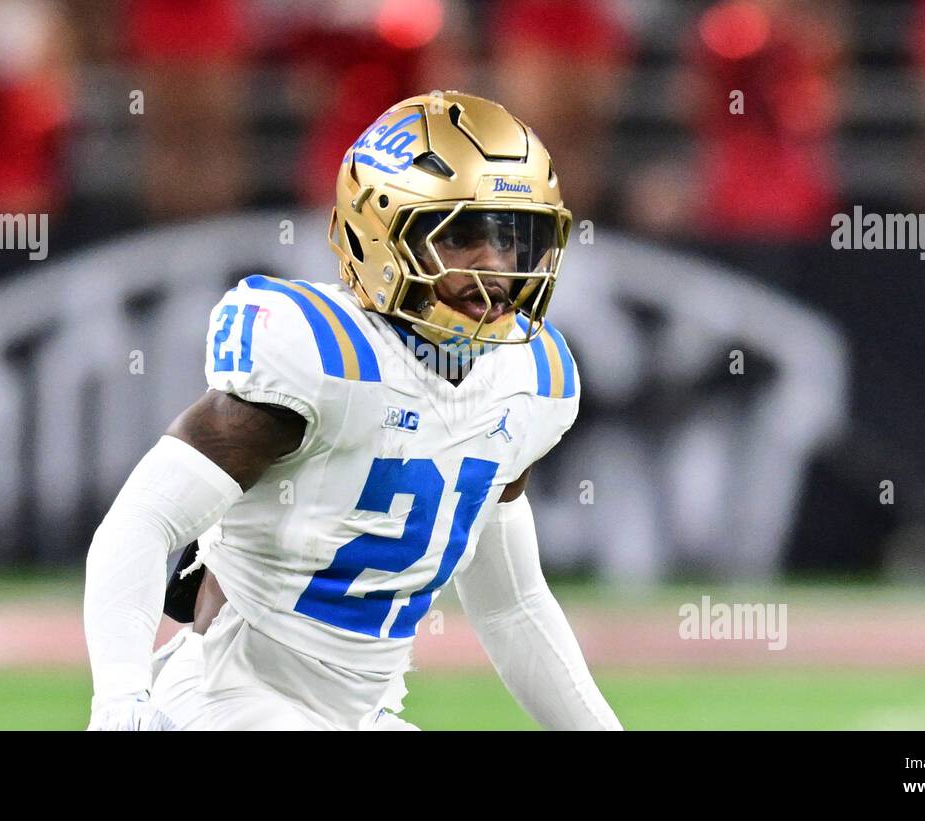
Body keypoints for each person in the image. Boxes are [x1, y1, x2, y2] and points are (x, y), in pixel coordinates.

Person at [83, 91, 621, 731]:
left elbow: (512, 606)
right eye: (461, 236)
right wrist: (119, 703)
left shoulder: (530, 379)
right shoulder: (322, 355)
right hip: (229, 696)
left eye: (513, 236)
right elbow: (145, 520)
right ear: (380, 237)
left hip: (359, 715)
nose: (495, 266)